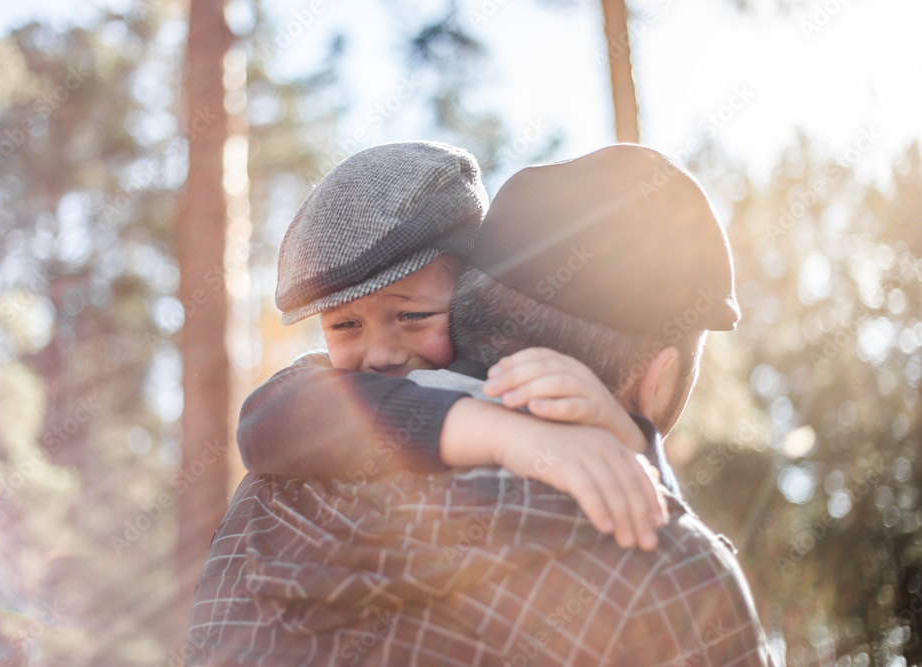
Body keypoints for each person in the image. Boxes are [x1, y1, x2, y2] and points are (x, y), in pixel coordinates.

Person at [186, 144, 773, 665]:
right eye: (344, 326)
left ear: (469, 298)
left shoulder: (269, 497)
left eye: (412, 315)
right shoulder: (671, 572)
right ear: (660, 378)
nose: (381, 356)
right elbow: (271, 412)